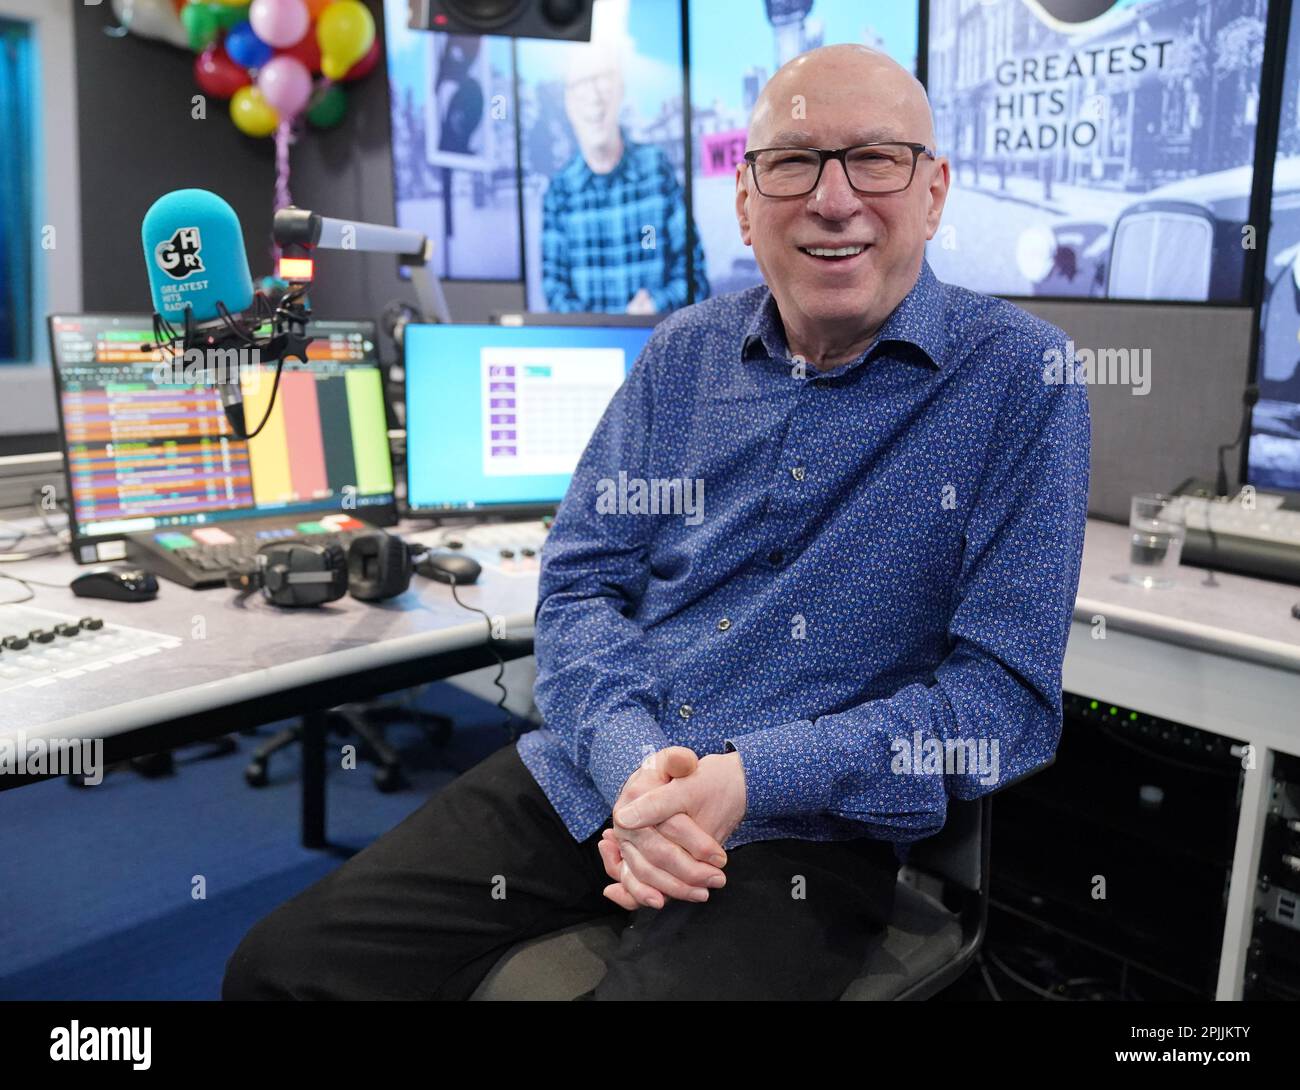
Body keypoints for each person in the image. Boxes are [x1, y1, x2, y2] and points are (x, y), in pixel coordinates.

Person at [223, 43, 1090, 1001]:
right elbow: (582, 581)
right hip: (593, 778)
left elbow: (1005, 699)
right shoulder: (684, 354)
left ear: (934, 192)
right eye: (794, 160)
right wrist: (633, 763)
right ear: (745, 202)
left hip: (801, 832)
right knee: (277, 973)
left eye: (877, 159)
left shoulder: (1020, 380)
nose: (834, 200)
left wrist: (754, 775)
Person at [540, 48, 708, 313]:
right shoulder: (559, 191)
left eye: (602, 80)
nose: (594, 97)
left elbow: (694, 276)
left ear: (621, 89)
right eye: (582, 84)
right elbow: (554, 290)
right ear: (568, 102)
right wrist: (601, 331)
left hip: (656, 345)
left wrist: (654, 307)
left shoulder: (656, 169)